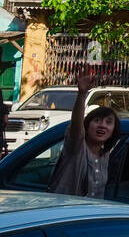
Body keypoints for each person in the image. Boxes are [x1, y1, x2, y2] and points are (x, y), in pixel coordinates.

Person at [48, 68, 120, 198]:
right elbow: (76, 127)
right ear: (87, 125)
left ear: (114, 130)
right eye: (97, 120)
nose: (102, 125)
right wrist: (82, 94)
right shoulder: (76, 149)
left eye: (108, 122)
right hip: (67, 213)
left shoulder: (106, 155)